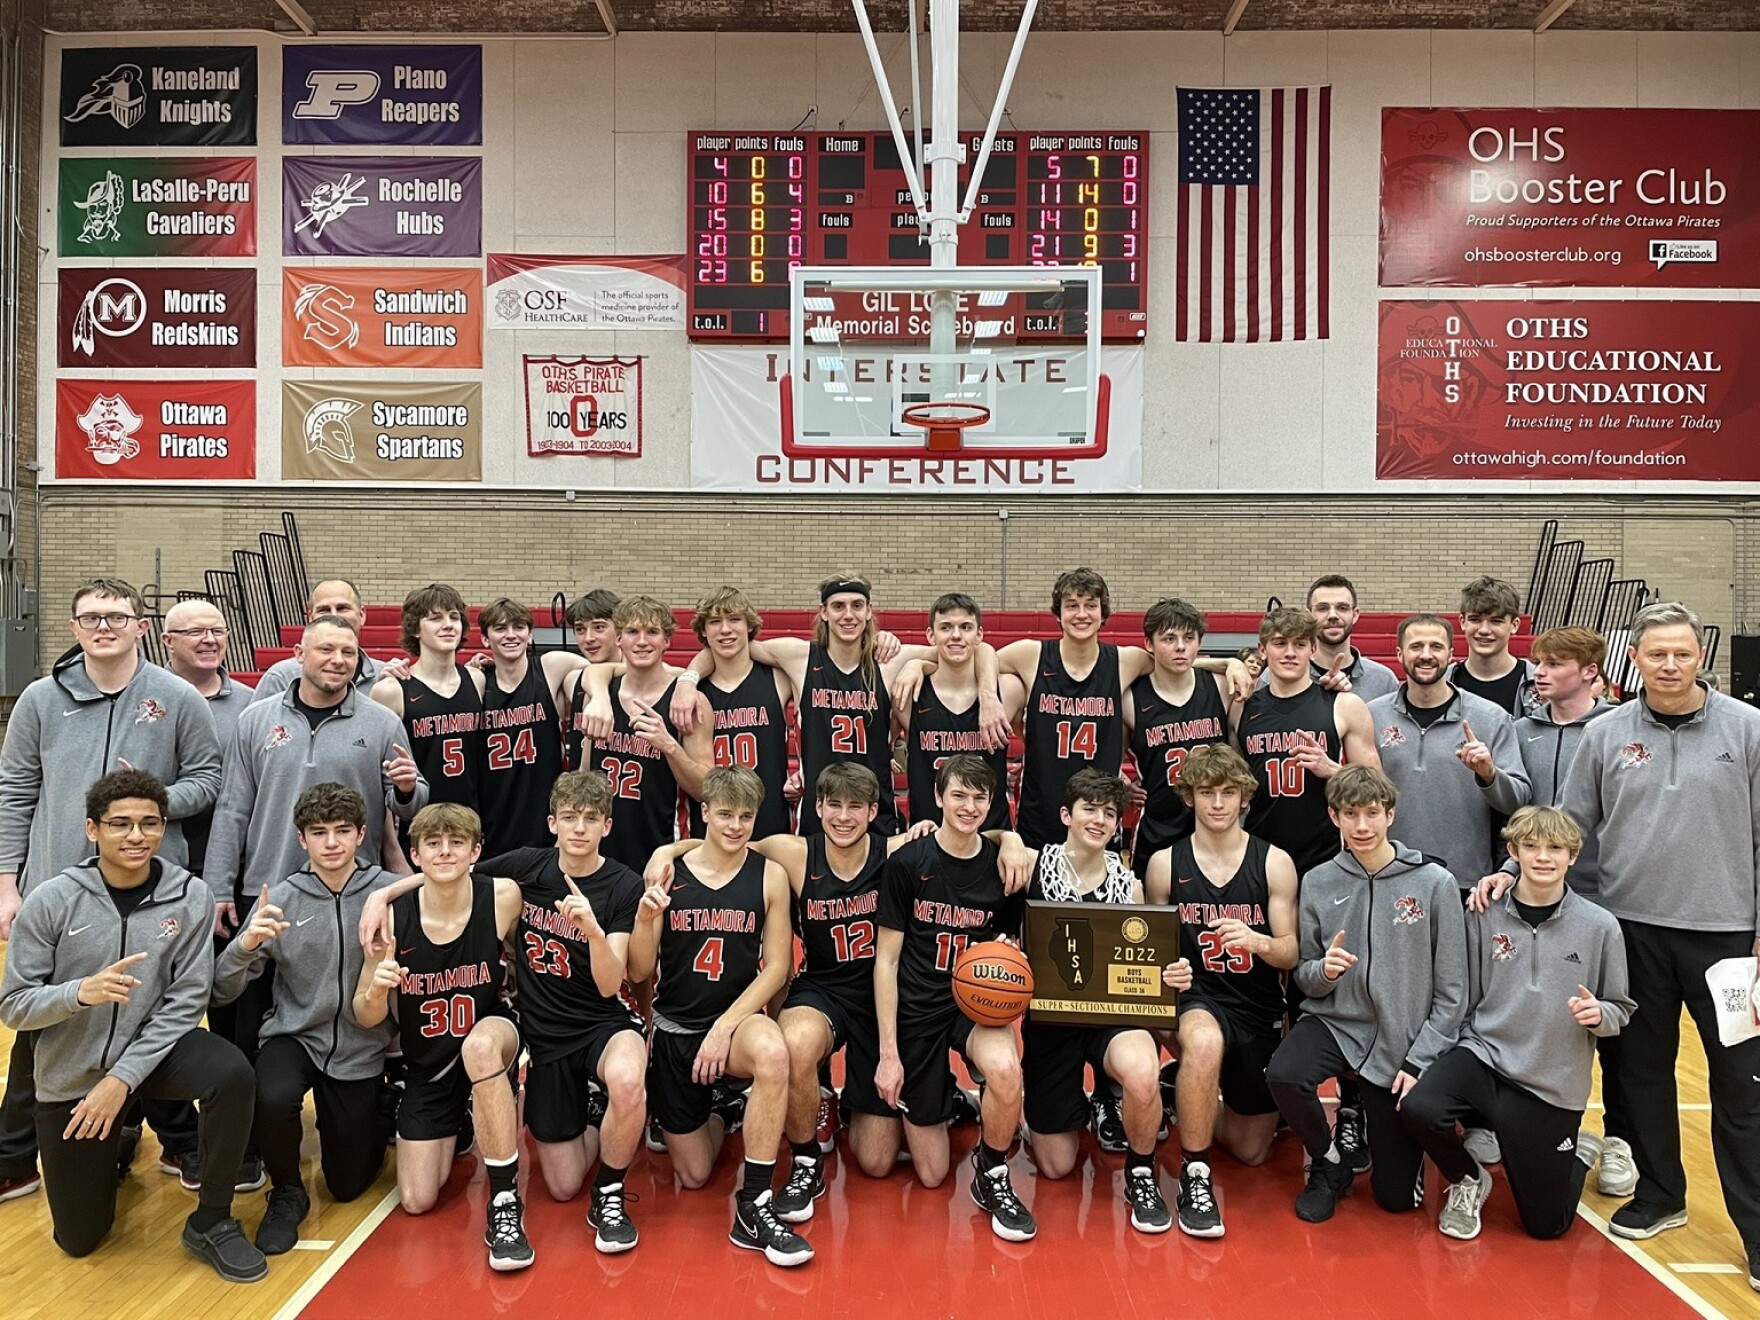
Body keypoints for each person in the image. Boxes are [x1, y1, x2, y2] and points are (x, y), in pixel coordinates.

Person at [1555, 602, 1760, 1287]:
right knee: (1640, 1076)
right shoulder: (1606, 734)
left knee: (1743, 1087)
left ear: (1701, 654)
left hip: (1730, 942)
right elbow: (1570, 831)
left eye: (1682, 653)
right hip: (1631, 934)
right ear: (1633, 660)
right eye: (1656, 654)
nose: (1669, 665)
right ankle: (1661, 1195)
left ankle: (1757, 1232)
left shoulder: (1749, 728)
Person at [0, 578, 223, 1202]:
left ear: (141, 627)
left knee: (152, 1014)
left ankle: (179, 1142)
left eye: (117, 616)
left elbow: (207, 780)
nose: (104, 626)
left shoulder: (177, 697)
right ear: (73, 628)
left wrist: (152, 800)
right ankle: (14, 1157)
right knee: (44, 1022)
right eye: (91, 617)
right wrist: (6, 884)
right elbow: (15, 791)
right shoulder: (40, 701)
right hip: (58, 889)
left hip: (151, 892)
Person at [0, 770, 264, 1281]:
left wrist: (121, 1082)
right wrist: (78, 993)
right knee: (79, 1240)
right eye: (120, 823)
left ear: (164, 828)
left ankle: (212, 1219)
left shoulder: (190, 896)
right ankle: (117, 1142)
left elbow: (188, 1002)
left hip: (152, 1058)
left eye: (149, 823)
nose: (136, 835)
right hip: (74, 1071)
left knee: (230, 1072)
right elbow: (13, 1004)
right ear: (92, 830)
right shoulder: (53, 899)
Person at [1400, 806, 1633, 1242]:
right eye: (1531, 846)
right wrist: (1431, 1057)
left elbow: (1620, 1008)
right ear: (1513, 852)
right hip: (1484, 1057)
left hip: (1549, 1084)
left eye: (1555, 849)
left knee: (1547, 1227)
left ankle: (1578, 1154)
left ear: (1573, 857)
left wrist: (1600, 1015)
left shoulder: (1601, 927)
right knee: (1419, 1106)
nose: (1543, 857)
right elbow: (1463, 995)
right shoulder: (1483, 913)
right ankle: (1468, 1179)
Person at [626, 766, 812, 1267]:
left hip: (734, 1023)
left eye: (746, 816)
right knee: (694, 1174)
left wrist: (727, 1025)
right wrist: (646, 919)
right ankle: (724, 1110)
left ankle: (753, 1205)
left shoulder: (768, 875)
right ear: (703, 813)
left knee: (774, 1053)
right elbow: (640, 968)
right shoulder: (668, 871)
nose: (736, 826)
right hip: (676, 1028)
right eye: (725, 814)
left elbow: (778, 967)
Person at [1264, 765, 1466, 1223]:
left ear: (1390, 814)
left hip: (1404, 1040)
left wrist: (1421, 1059)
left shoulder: (1435, 884)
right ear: (1334, 817)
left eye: (1372, 813)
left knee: (1395, 1201)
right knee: (1284, 1072)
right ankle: (1327, 1162)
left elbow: (1454, 992)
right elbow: (1304, 977)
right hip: (1337, 1023)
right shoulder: (1318, 881)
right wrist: (1326, 972)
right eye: (1351, 814)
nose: (1362, 826)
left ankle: (1373, 1126)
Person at [1467, 625, 1625, 1189]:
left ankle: (1618, 1137)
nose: (1539, 671)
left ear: (1590, 672)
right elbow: (1518, 808)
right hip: (1528, 887)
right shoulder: (1520, 729)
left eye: (1555, 663)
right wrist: (1489, 777)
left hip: (1599, 895)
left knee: (1600, 1019)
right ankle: (1500, 1118)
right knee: (1522, 1009)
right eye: (1538, 662)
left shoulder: (1613, 730)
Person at [210, 783, 397, 1254]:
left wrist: (402, 883)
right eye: (318, 832)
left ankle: (379, 1109)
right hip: (294, 1036)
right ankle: (288, 1190)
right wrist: (246, 945)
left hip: (361, 1044)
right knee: (270, 1093)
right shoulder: (283, 898)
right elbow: (222, 988)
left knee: (348, 1184)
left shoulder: (385, 893)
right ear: (301, 839)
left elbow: (452, 878)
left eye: (341, 831)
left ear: (360, 834)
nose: (330, 843)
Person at [352, 804, 531, 1270]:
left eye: (456, 843)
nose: (445, 852)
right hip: (428, 1065)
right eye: (433, 843)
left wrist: (387, 887)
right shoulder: (392, 920)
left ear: (476, 850)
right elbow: (366, 1015)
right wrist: (377, 987)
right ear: (414, 853)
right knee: (415, 1198)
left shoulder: (504, 897)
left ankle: (505, 1202)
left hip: (491, 1033)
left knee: (480, 1046)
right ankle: (464, 1120)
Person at [477, 771, 647, 1254]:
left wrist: (593, 929)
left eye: (591, 819)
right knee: (562, 1185)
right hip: (546, 1038)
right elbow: (451, 878)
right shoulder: (528, 866)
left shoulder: (622, 885)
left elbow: (612, 982)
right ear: (552, 822)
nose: (579, 828)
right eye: (569, 818)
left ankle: (611, 1193)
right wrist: (384, 895)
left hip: (603, 1024)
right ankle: (598, 1114)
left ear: (606, 827)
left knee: (629, 1081)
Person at [875, 755, 1035, 1241]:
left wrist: (1008, 952)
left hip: (974, 1004)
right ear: (939, 798)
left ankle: (991, 1172)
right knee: (930, 1174)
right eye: (959, 795)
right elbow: (886, 962)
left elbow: (1007, 942)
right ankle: (948, 1097)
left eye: (980, 797)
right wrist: (889, 1053)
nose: (969, 806)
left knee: (1007, 1070)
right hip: (919, 1007)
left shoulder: (1005, 866)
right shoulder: (907, 863)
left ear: (993, 803)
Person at [1149, 745, 1298, 1239]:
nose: (1217, 804)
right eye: (1207, 793)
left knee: (1252, 1149)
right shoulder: (1165, 865)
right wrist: (1164, 974)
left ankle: (1184, 1090)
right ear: (1189, 797)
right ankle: (1195, 1175)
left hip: (1255, 1005)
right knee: (1205, 1042)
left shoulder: (1274, 862)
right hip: (1196, 1001)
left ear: (1244, 798)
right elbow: (1150, 950)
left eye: (1228, 793)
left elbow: (1291, 953)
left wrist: (1257, 941)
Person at [995, 569, 1249, 851]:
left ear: (1103, 613)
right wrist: (991, 700)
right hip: (1042, 806)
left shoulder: (1124, 661)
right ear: (1058, 613)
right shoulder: (1030, 655)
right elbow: (977, 661)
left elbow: (1172, 663)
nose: (1081, 614)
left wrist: (1229, 663)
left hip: (1101, 812)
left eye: (1091, 605)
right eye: (1072, 606)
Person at [1019, 769, 1172, 1234]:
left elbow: (1144, 963)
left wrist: (1170, 974)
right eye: (1089, 809)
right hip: (1050, 1022)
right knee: (1057, 1166)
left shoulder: (1130, 884)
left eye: (1110, 813)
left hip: (1109, 1020)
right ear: (1066, 814)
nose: (1100, 820)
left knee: (1144, 1069)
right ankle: (1077, 1107)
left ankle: (1141, 1172)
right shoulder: (1029, 864)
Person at [206, 617, 426, 931]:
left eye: (349, 653)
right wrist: (218, 886)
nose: (338, 660)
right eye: (326, 649)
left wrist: (406, 790)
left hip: (352, 892)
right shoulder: (254, 720)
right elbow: (232, 810)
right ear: (299, 653)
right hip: (268, 886)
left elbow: (411, 805)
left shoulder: (383, 723)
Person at [679, 574, 941, 838]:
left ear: (869, 611)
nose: (848, 614)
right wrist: (688, 680)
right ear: (824, 612)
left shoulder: (889, 661)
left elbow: (958, 656)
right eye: (838, 606)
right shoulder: (799, 657)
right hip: (817, 814)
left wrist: (917, 665)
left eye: (857, 606)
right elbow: (728, 644)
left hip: (876, 811)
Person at [156, 596, 259, 1191]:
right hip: (162, 881)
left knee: (228, 1008)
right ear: (166, 640)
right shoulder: (148, 703)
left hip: (224, 885)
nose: (208, 639)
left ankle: (227, 1138)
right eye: (193, 631)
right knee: (154, 1008)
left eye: (217, 630)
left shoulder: (250, 706)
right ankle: (175, 1139)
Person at [1365, 613, 1530, 890]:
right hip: (1387, 873)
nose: (1426, 655)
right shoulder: (1371, 715)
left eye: (1436, 647)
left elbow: (1519, 801)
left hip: (1465, 880)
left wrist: (1488, 775)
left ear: (1451, 655)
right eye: (1416, 646)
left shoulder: (1490, 717)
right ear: (1399, 654)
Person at [1232, 607, 1380, 879]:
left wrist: (1334, 770)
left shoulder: (1344, 705)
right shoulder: (1240, 709)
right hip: (1259, 850)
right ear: (1262, 649)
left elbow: (1378, 787)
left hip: (1326, 855)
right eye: (1280, 643)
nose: (1290, 653)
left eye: (1299, 644)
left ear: (1313, 649)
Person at [573, 596, 714, 869]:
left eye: (652, 632)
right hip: (600, 850)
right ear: (619, 640)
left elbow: (707, 790)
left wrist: (670, 746)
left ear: (666, 641)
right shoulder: (599, 696)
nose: (641, 641)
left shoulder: (688, 702)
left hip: (662, 847)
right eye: (632, 632)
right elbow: (584, 775)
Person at [1125, 598, 1232, 880]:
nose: (1180, 647)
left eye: (1188, 638)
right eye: (1169, 638)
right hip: (1159, 825)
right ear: (1149, 644)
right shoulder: (1131, 699)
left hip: (1217, 824)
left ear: (1199, 642)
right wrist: (1119, 780)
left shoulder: (1222, 688)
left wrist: (1235, 664)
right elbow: (1105, 751)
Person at [476, 597, 585, 855]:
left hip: (544, 827)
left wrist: (600, 694)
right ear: (484, 639)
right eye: (500, 629)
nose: (511, 635)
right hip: (494, 824)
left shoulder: (550, 668)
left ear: (530, 634)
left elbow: (610, 668)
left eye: (519, 627)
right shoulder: (477, 682)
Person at [371, 583, 486, 818]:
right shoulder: (390, 690)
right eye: (435, 618)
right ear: (415, 628)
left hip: (470, 821)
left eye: (454, 617)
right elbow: (376, 775)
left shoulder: (477, 679)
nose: (448, 625)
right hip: (418, 824)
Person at [687, 587, 794, 840]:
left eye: (734, 619)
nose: (725, 629)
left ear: (749, 626)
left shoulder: (779, 678)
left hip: (769, 821)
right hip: (714, 824)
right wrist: (686, 680)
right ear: (703, 630)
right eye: (715, 622)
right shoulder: (692, 691)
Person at [902, 593, 1012, 832]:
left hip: (991, 837)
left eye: (966, 627)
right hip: (929, 834)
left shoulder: (1008, 691)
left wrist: (987, 693)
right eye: (945, 627)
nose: (956, 635)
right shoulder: (910, 694)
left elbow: (987, 653)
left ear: (979, 635)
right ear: (930, 635)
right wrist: (916, 663)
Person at [252, 579, 385, 700]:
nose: (334, 616)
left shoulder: (383, 676)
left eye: (342, 608)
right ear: (310, 618)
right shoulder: (280, 677)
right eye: (324, 610)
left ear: (361, 615)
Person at [1299, 575, 1400, 701]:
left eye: (1342, 608)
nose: (1332, 615)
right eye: (1323, 608)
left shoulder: (1384, 681)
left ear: (1355, 614)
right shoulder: (1277, 676)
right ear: (1309, 616)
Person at [1448, 576, 1534, 716]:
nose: (1484, 630)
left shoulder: (1536, 683)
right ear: (1463, 622)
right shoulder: (1444, 681)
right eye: (1475, 620)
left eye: (1496, 621)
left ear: (1514, 625)